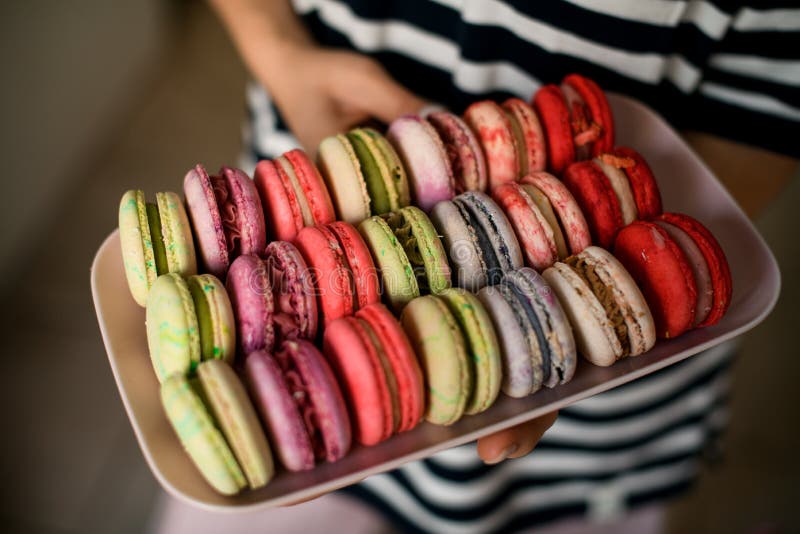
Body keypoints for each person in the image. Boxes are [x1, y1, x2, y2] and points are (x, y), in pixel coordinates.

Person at [155, 1, 799, 532]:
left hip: (597, 417)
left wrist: (579, 314)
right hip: (296, 221)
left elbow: (771, 109)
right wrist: (278, 49)